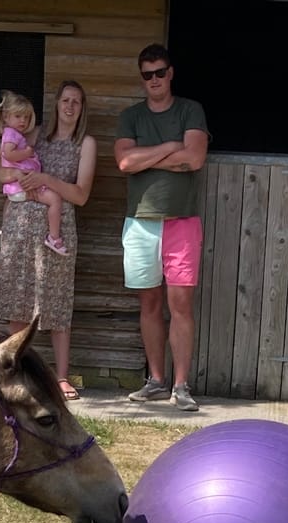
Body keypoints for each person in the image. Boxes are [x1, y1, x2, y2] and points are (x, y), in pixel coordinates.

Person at [114, 44, 207, 413]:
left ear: (170, 73)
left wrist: (146, 157)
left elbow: (195, 158)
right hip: (140, 221)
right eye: (147, 74)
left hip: (181, 220)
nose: (154, 79)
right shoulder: (131, 116)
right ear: (142, 78)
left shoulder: (190, 109)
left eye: (159, 72)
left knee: (180, 303)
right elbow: (124, 162)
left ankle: (181, 386)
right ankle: (156, 381)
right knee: (149, 302)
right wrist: (171, 148)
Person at [0, 79, 98, 400]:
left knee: (57, 302)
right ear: (56, 104)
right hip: (21, 225)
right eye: (66, 100)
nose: (69, 107)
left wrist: (46, 179)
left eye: (76, 102)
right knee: (19, 297)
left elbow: (80, 195)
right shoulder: (36, 137)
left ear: (82, 109)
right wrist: (13, 177)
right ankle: (14, 371)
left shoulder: (86, 144)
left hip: (58, 230)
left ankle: (62, 377)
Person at [0, 92, 69, 256]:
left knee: (9, 201)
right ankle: (54, 238)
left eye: (26, 117)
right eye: (18, 116)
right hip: (22, 186)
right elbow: (8, 155)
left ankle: (4, 228)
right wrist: (27, 153)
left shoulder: (12, 135)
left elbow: (3, 154)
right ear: (6, 117)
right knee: (55, 199)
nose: (23, 121)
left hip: (18, 187)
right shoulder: (12, 135)